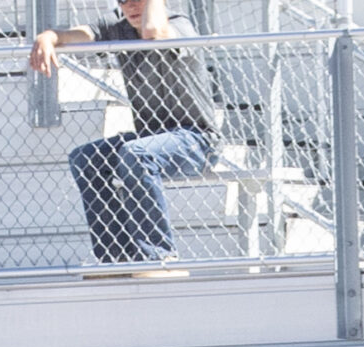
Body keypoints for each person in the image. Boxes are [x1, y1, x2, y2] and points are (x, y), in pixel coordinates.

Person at [29, 0, 222, 277]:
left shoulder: (178, 24)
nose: (130, 6)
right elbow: (72, 35)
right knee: (86, 159)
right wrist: (46, 37)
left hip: (197, 139)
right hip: (150, 138)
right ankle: (115, 259)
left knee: (136, 154)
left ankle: (160, 258)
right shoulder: (118, 26)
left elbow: (153, 31)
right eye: (123, 0)